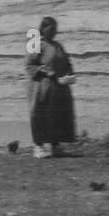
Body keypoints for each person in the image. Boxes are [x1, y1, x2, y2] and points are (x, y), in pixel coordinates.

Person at [25, 16, 76, 158]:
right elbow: (29, 66)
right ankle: (38, 146)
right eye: (51, 29)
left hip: (59, 86)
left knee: (58, 116)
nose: (54, 32)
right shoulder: (36, 43)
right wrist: (46, 72)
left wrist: (70, 72)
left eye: (56, 29)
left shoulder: (58, 46)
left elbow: (66, 61)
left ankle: (55, 146)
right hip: (41, 87)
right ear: (43, 29)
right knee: (40, 115)